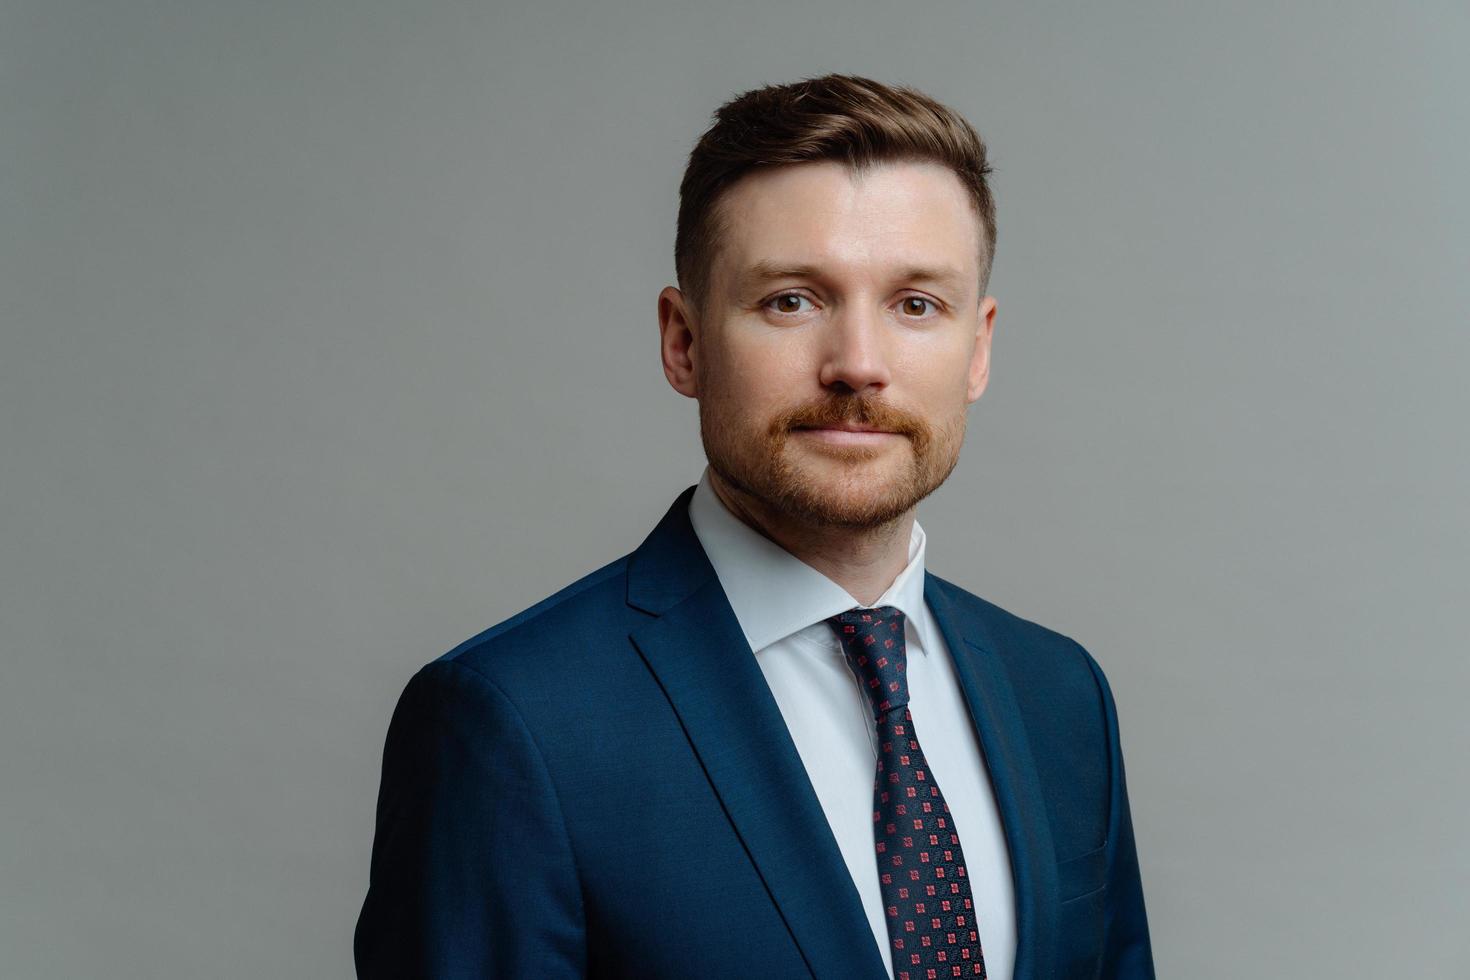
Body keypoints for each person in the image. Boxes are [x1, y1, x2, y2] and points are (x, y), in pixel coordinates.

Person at [354, 73, 1155, 980]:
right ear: (683, 342)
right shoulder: (513, 725)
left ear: (977, 349)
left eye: (916, 304)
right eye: (792, 300)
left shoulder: (1062, 695)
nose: (858, 365)